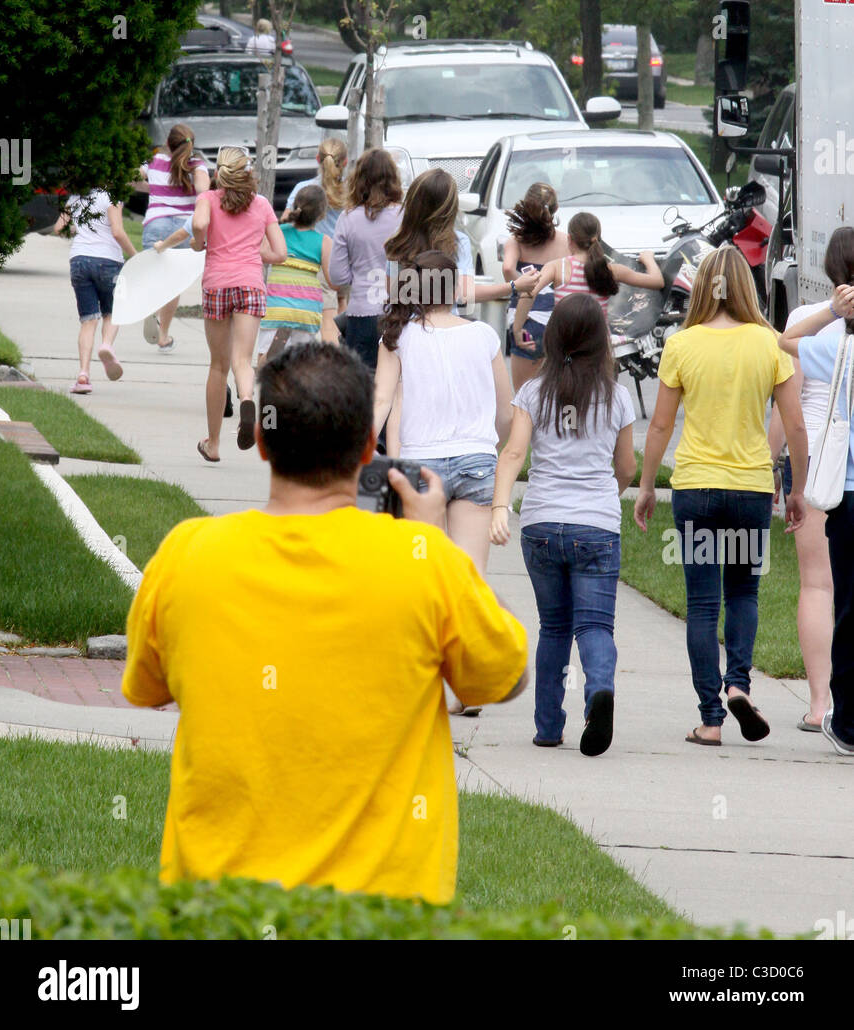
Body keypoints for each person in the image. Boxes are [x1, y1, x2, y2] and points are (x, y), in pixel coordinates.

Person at [122, 343, 528, 903]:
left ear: (261, 441)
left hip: (213, 908)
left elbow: (146, 688)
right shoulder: (425, 560)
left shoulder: (185, 553)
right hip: (380, 913)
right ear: (368, 447)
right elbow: (504, 675)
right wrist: (435, 542)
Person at [634, 246, 808, 747]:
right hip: (751, 490)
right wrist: (795, 488)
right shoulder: (771, 344)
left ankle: (711, 718)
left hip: (696, 489)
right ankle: (739, 684)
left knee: (703, 603)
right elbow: (793, 422)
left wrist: (647, 485)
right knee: (743, 594)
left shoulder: (682, 344)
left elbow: (662, 424)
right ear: (748, 288)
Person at [491, 294, 636, 755]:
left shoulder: (534, 391)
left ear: (553, 337)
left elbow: (514, 453)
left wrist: (499, 508)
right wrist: (605, 499)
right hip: (596, 525)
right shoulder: (617, 394)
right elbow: (626, 467)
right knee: (595, 627)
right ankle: (599, 693)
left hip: (541, 524)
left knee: (553, 627)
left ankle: (549, 726)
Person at [374, 251, 513, 580]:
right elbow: (506, 412)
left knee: (420, 571)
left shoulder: (396, 339)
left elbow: (381, 401)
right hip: (476, 464)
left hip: (419, 467)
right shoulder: (484, 336)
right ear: (454, 292)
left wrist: (356, 454)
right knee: (470, 576)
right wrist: (490, 448)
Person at [766, 230, 854, 731]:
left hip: (820, 467)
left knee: (819, 586)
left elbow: (789, 407)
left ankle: (821, 703)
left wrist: (776, 465)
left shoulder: (806, 320)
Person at [192, 147, 286, 462]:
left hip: (217, 285)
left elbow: (200, 224)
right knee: (242, 361)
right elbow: (281, 252)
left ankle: (214, 444)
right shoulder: (261, 205)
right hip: (250, 284)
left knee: (218, 366)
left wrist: (199, 241)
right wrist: (253, 253)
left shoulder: (208, 199)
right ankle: (247, 399)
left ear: (220, 173)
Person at [516, 210, 663, 341]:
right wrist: (648, 258)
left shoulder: (556, 267)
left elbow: (529, 292)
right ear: (598, 238)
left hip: (565, 342)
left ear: (569, 239)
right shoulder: (611, 270)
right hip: (598, 344)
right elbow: (657, 282)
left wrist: (517, 329)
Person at [53, 190, 137, 393]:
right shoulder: (111, 196)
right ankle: (106, 345)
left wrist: (83, 230)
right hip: (108, 261)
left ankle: (83, 375)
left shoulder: (75, 197)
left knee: (88, 320)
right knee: (112, 312)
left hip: (79, 260)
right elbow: (117, 232)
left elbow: (58, 228)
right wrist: (135, 256)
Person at [136, 124, 210, 350]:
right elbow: (203, 191)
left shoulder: (154, 162)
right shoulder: (197, 166)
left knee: (155, 274)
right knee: (173, 284)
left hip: (155, 223)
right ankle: (163, 336)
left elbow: (130, 180)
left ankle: (150, 307)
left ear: (168, 144)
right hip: (183, 231)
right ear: (192, 144)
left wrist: (155, 189)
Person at [329, 148, 403, 369]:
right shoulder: (405, 215)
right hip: (399, 311)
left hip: (361, 313)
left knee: (362, 383)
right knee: (397, 382)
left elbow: (337, 275)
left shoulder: (348, 218)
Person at [500, 182, 571, 391]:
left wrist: (523, 285)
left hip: (526, 324)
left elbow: (507, 269)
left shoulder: (517, 241)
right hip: (559, 323)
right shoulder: (566, 241)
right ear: (555, 209)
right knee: (559, 397)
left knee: (525, 398)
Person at [282, 138, 349, 345]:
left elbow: (286, 218)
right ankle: (345, 356)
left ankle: (335, 365)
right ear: (345, 162)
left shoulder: (304, 188)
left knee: (327, 324)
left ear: (318, 158)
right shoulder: (351, 189)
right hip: (346, 259)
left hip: (318, 262)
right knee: (342, 313)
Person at [258, 185, 333, 361]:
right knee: (301, 364)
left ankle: (266, 382)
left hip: (277, 309)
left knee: (267, 359)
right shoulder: (324, 241)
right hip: (305, 312)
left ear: (295, 207)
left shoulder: (279, 233)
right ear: (322, 214)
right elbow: (332, 280)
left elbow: (262, 253)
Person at [384, 168, 475, 309]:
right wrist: (511, 286)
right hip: (445, 324)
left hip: (405, 324)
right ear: (450, 209)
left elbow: (392, 291)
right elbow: (464, 294)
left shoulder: (400, 240)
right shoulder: (458, 242)